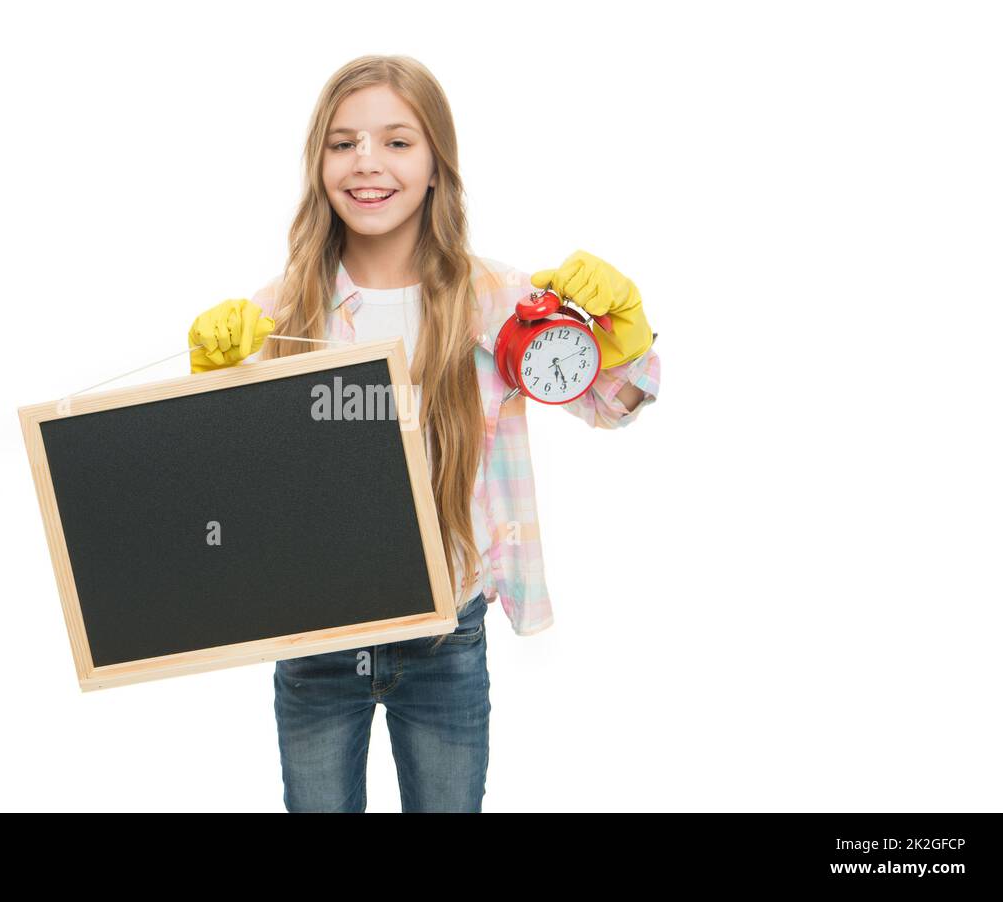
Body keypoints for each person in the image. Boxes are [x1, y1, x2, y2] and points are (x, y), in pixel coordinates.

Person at [186, 55, 661, 812]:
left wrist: (625, 342)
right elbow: (222, 489)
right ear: (318, 165)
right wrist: (212, 387)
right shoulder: (276, 313)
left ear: (439, 163)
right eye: (342, 143)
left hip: (448, 638)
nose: (366, 162)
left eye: (397, 141)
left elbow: (611, 403)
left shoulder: (498, 299)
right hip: (314, 640)